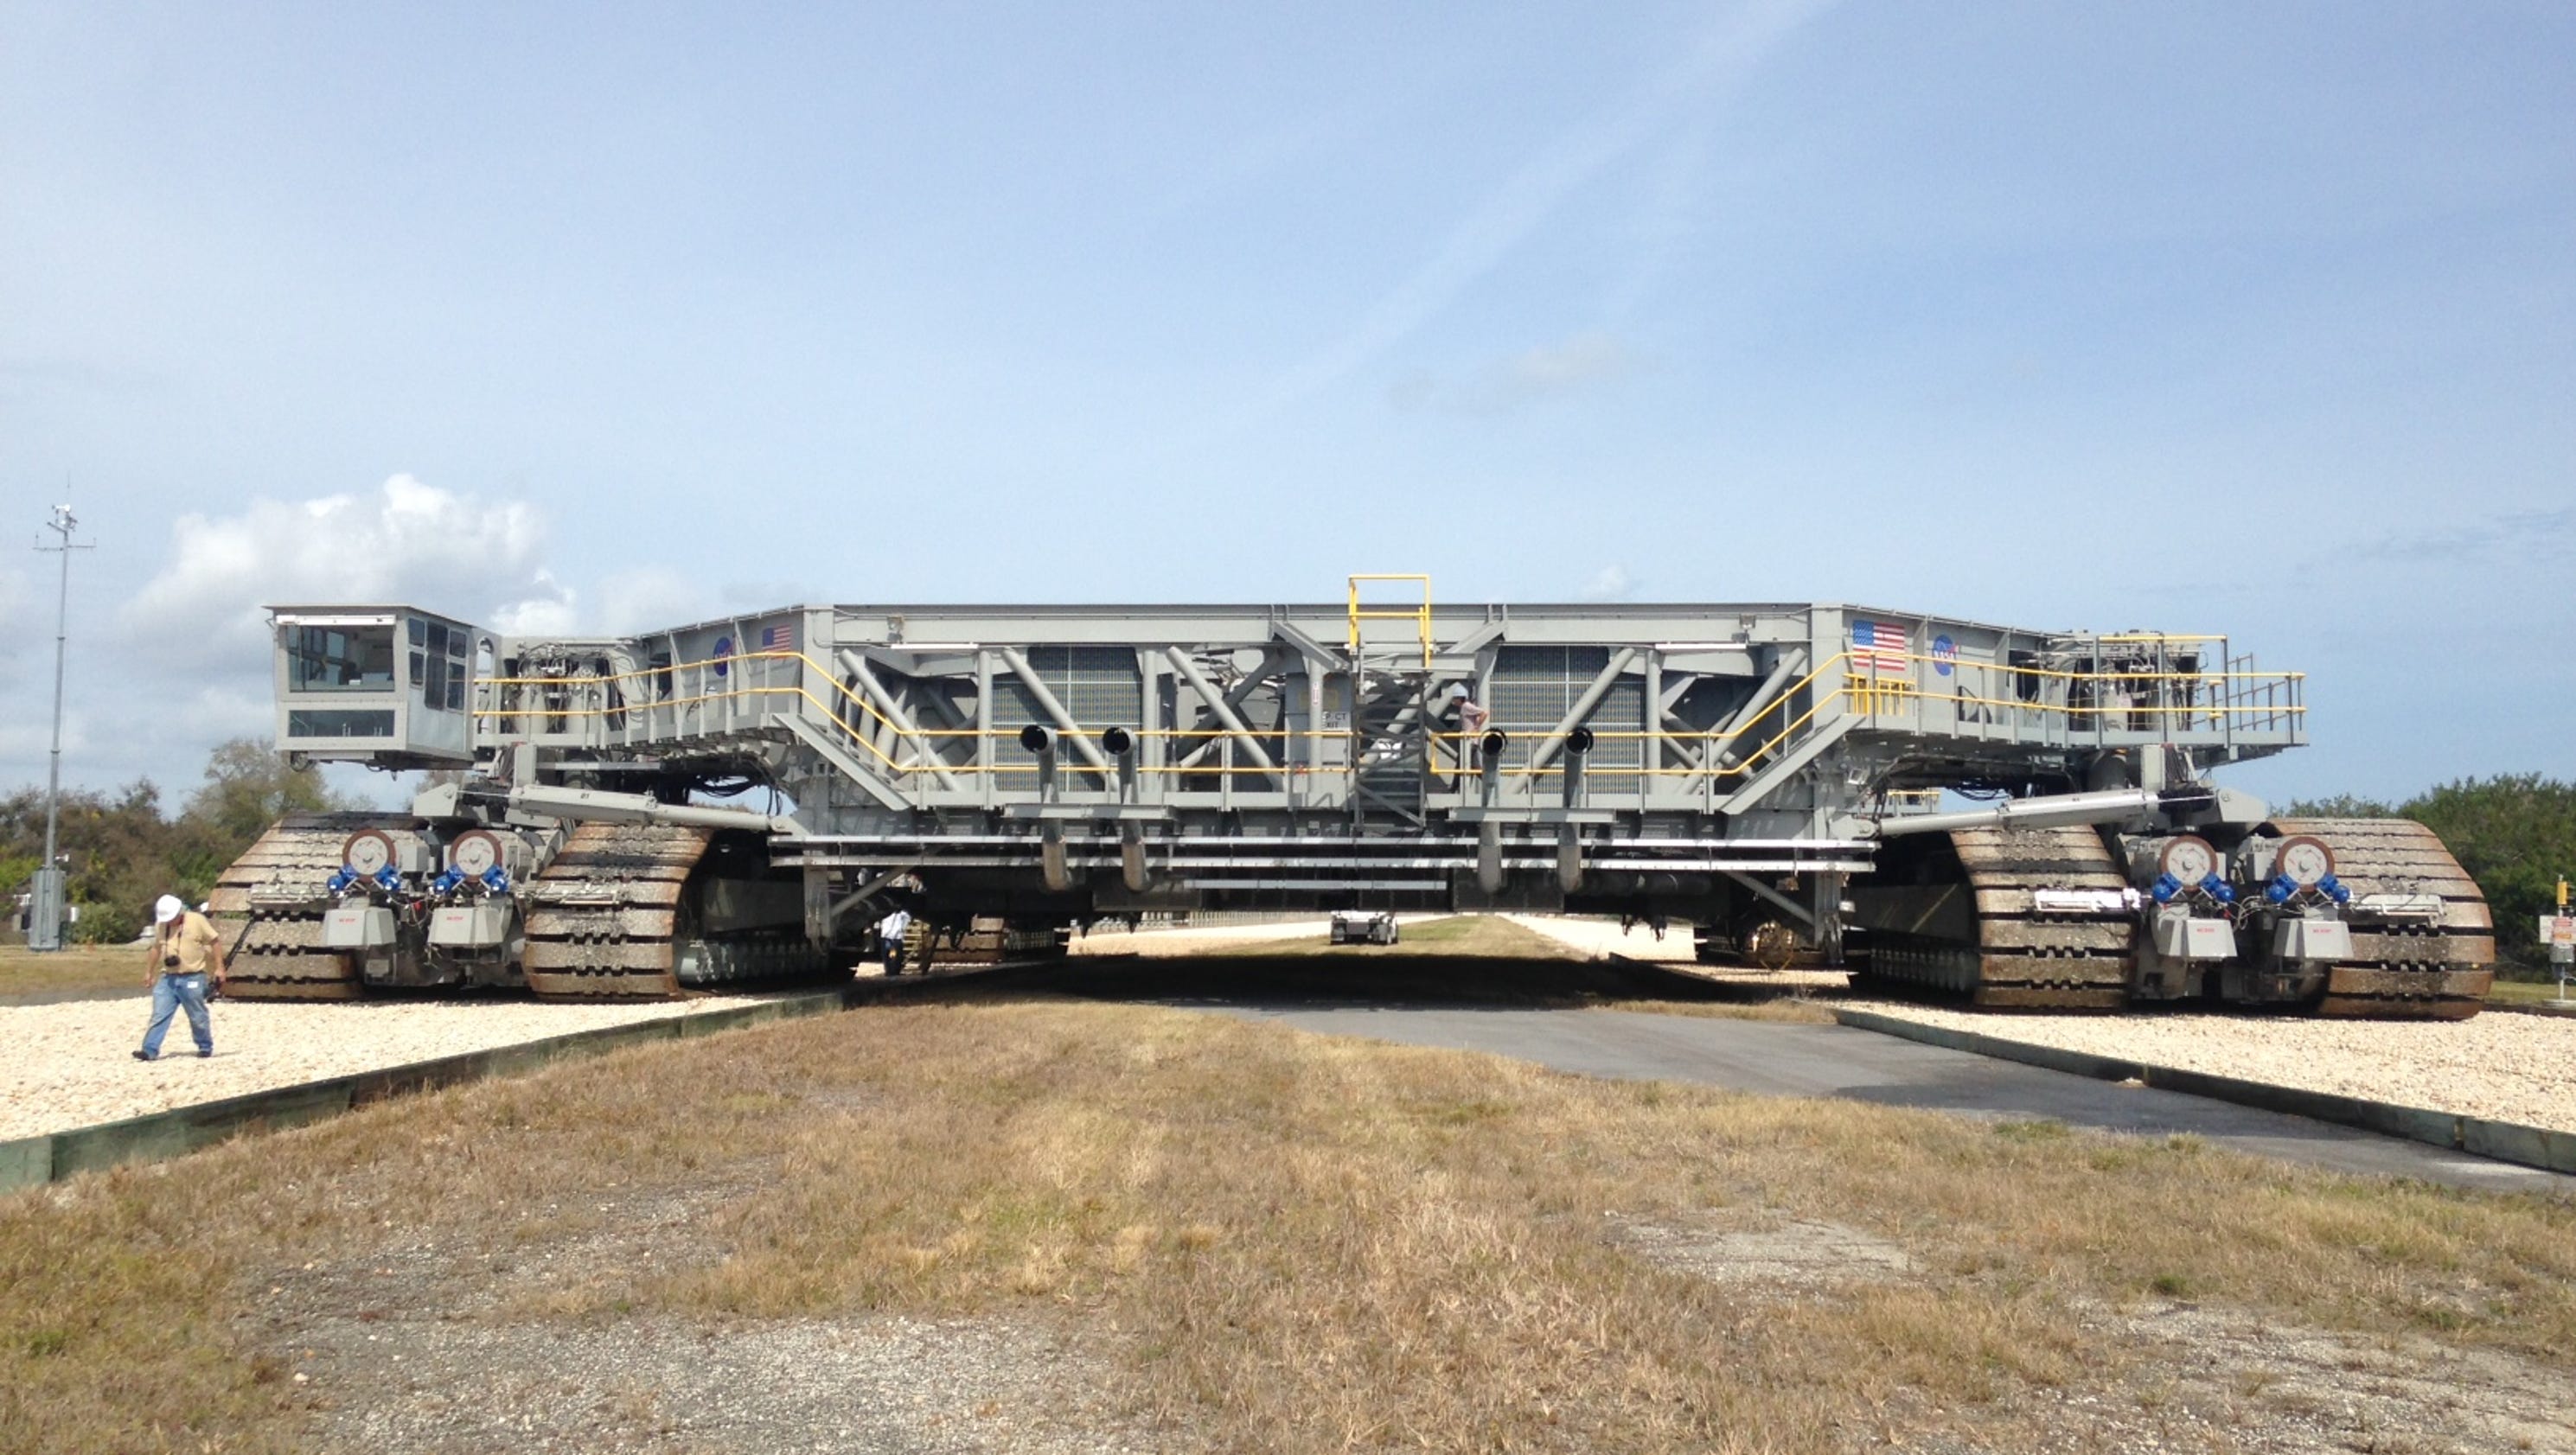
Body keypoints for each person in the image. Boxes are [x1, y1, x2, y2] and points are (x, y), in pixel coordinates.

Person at [136, 893, 225, 1061]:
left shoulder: (197, 920)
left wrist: (220, 968)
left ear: (179, 912)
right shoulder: (161, 925)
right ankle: (149, 1050)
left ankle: (205, 1046)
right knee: (159, 1015)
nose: (169, 921)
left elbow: (215, 941)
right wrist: (149, 971)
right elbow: (156, 948)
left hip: (193, 976)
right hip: (168, 977)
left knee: (197, 1016)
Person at [877, 905, 914, 976]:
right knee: (889, 955)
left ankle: (891, 971)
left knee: (892, 955)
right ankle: (890, 971)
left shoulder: (901, 914)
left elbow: (907, 919)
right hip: (889, 937)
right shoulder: (889, 914)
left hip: (893, 937)